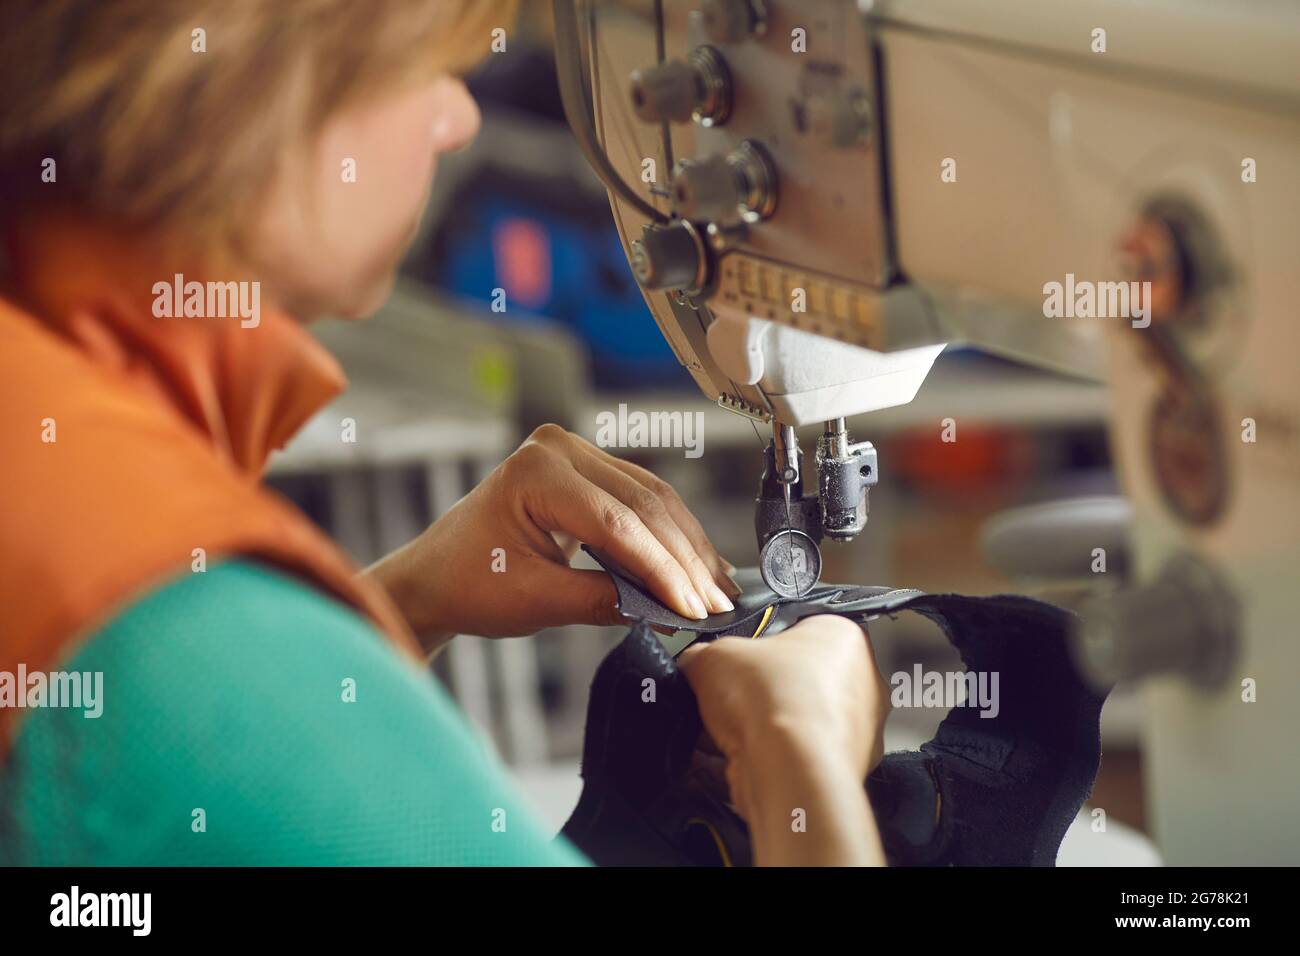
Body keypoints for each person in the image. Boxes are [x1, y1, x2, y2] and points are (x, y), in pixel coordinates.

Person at [0, 0, 888, 866]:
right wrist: (799, 757)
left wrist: (399, 604)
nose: (459, 119)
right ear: (249, 89)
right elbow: (205, 718)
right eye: (431, 65)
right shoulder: (178, 648)